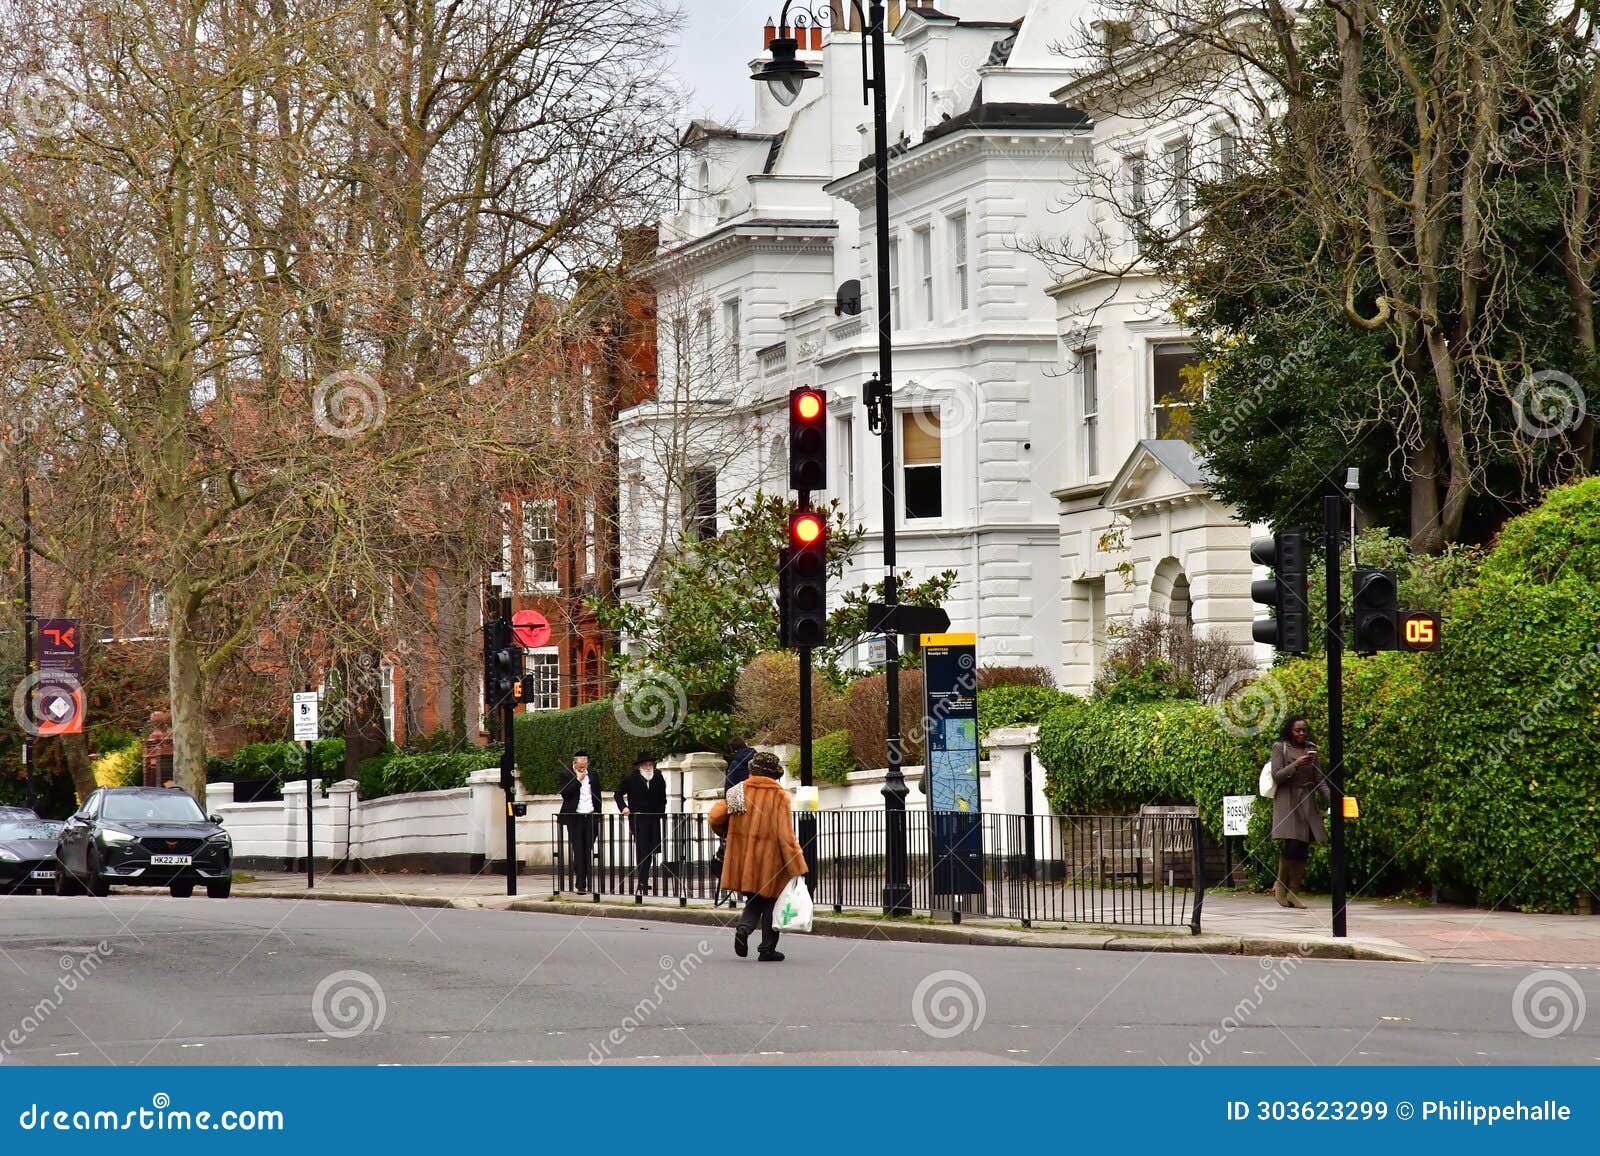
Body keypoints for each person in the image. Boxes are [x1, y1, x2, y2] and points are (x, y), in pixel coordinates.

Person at [707, 751, 807, 962]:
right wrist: (797, 864)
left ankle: (744, 929)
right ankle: (767, 949)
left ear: (752, 769)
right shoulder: (779, 795)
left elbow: (716, 816)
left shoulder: (738, 791)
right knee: (772, 901)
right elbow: (785, 834)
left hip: (743, 859)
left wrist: (727, 833)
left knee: (755, 898)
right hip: (773, 860)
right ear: (774, 774)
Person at [1270, 715, 1328, 909]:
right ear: (1290, 731)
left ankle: (1294, 892)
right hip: (1288, 801)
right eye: (1297, 730)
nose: (1302, 733)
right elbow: (1277, 776)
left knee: (1304, 846)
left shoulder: (1312, 749)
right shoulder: (1280, 747)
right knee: (1292, 843)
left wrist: (1333, 800)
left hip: (1307, 801)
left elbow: (1320, 779)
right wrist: (1296, 764)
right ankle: (1280, 885)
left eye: (1304, 730)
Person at [615, 751, 667, 895]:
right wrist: (624, 808)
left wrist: (660, 813)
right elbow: (618, 793)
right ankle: (642, 880)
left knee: (651, 849)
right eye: (646, 764)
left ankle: (644, 879)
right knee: (642, 849)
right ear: (639, 766)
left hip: (654, 819)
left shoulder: (658, 777)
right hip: (638, 820)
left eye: (651, 764)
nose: (649, 767)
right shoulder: (631, 778)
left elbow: (663, 798)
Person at [557, 751, 602, 893]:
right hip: (575, 817)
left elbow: (598, 794)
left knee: (587, 849)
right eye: (580, 767)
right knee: (578, 849)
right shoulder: (566, 774)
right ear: (574, 764)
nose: (583, 769)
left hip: (590, 816)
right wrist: (578, 780)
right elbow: (565, 793)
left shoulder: (593, 774)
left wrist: (598, 813)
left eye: (585, 766)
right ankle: (581, 883)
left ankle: (586, 879)